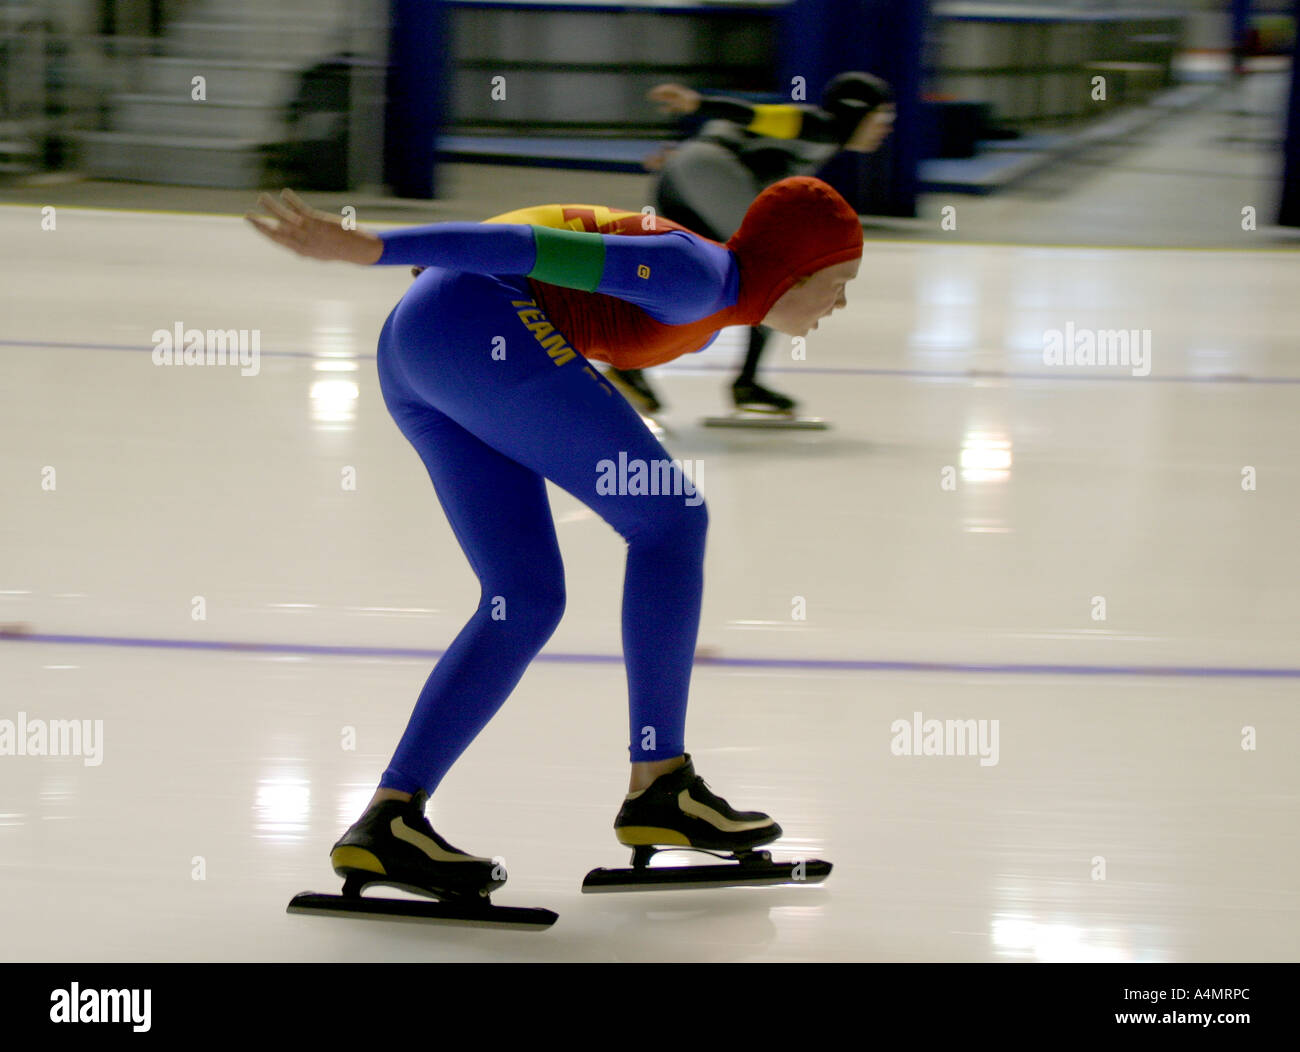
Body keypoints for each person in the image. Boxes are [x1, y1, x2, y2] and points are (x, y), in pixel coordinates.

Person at [246, 175, 863, 901]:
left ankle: (391, 820)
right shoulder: (696, 276)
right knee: (671, 517)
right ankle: (661, 783)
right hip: (472, 330)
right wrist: (375, 248)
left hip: (423, 348)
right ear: (797, 269)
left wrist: (441, 278)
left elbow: (533, 228)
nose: (842, 303)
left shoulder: (709, 284)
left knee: (526, 596)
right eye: (839, 281)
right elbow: (524, 244)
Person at [608, 71, 894, 420]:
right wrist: (698, 104)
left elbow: (745, 138)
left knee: (704, 275)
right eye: (881, 118)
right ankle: (742, 380)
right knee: (773, 277)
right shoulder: (823, 126)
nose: (885, 128)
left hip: (689, 173)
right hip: (705, 173)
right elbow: (754, 114)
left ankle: (630, 362)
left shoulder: (816, 132)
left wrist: (684, 154)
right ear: (857, 112)